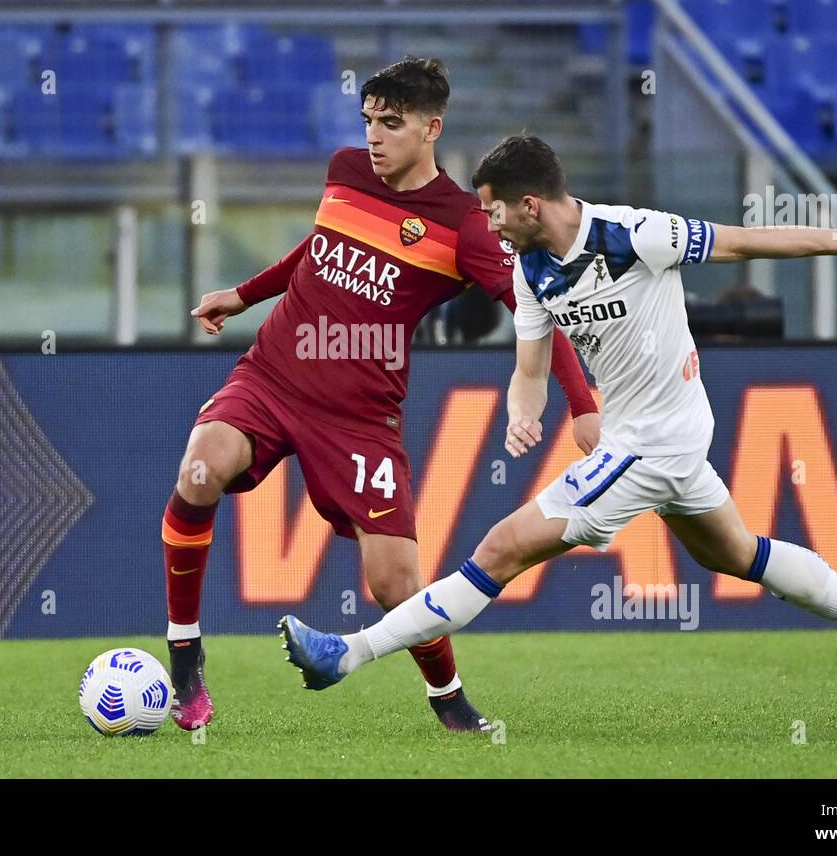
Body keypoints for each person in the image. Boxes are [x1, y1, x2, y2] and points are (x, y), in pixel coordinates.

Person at [280, 133, 837, 714]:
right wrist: (522, 414)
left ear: (530, 204)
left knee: (499, 551)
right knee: (733, 552)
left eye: (493, 209)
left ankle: (346, 654)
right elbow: (531, 367)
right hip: (653, 434)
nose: (488, 223)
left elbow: (745, 242)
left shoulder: (633, 235)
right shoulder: (532, 271)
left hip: (656, 440)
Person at [163, 64, 600, 732]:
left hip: (360, 417)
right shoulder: (343, 170)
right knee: (200, 468)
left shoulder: (463, 226)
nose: (373, 136)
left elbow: (534, 308)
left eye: (390, 124)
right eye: (368, 120)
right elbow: (320, 250)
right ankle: (185, 654)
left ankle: (449, 699)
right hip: (274, 376)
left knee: (394, 583)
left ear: (432, 128)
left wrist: (582, 404)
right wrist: (243, 295)